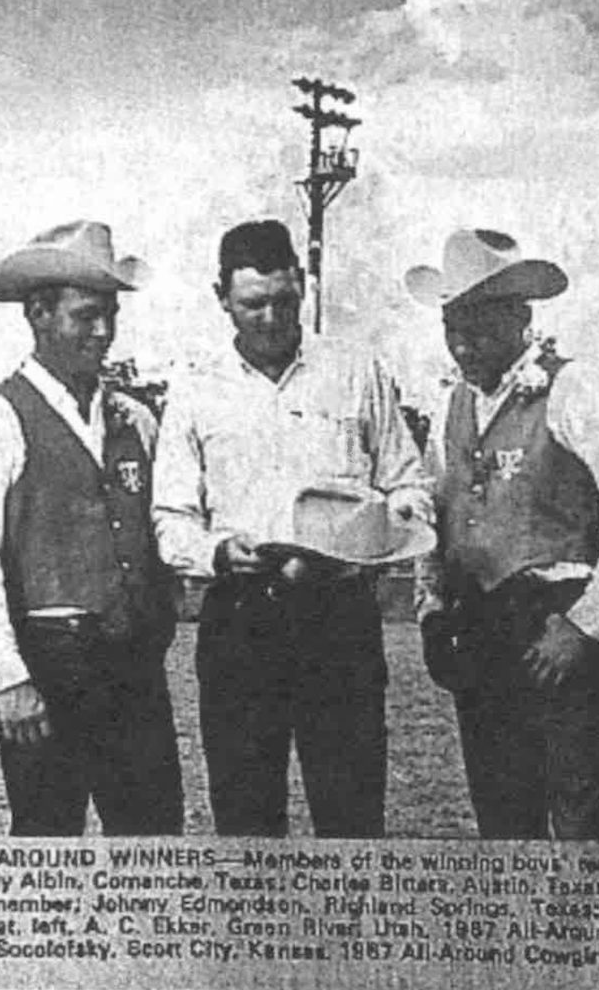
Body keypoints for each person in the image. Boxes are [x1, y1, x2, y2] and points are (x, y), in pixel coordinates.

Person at [153, 220, 433, 838]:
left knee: (352, 814)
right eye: (254, 304)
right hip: (241, 623)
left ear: (302, 286)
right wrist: (219, 552)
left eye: (285, 300)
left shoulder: (356, 371)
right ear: (221, 296)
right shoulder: (196, 389)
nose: (272, 317)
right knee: (246, 819)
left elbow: (409, 485)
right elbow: (171, 518)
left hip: (340, 623)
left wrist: (375, 537)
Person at [406, 228, 599, 841]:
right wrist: (433, 609)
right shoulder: (452, 406)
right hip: (479, 628)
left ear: (521, 317)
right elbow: (434, 519)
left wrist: (585, 624)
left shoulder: (575, 388)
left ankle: (574, 938)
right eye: (453, 328)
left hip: (554, 623)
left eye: (481, 326)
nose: (465, 344)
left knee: (581, 815)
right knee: (501, 814)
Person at [0, 221, 182, 836]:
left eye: (109, 316)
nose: (101, 333)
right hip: (51, 665)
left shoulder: (133, 418)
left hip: (133, 664)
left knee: (152, 838)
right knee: (49, 842)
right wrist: (7, 680)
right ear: (39, 315)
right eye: (85, 317)